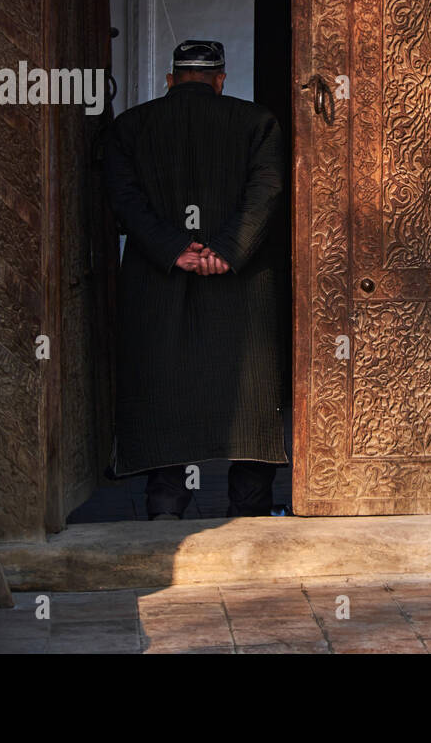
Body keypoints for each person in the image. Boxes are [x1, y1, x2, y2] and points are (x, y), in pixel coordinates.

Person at [102, 39, 285, 519]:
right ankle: (249, 510)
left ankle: (165, 510)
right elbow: (265, 192)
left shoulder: (130, 126)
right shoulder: (257, 123)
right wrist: (227, 249)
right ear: (220, 80)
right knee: (249, 391)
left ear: (170, 80)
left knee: (165, 390)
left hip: (156, 280)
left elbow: (124, 198)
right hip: (241, 284)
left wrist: (173, 248)